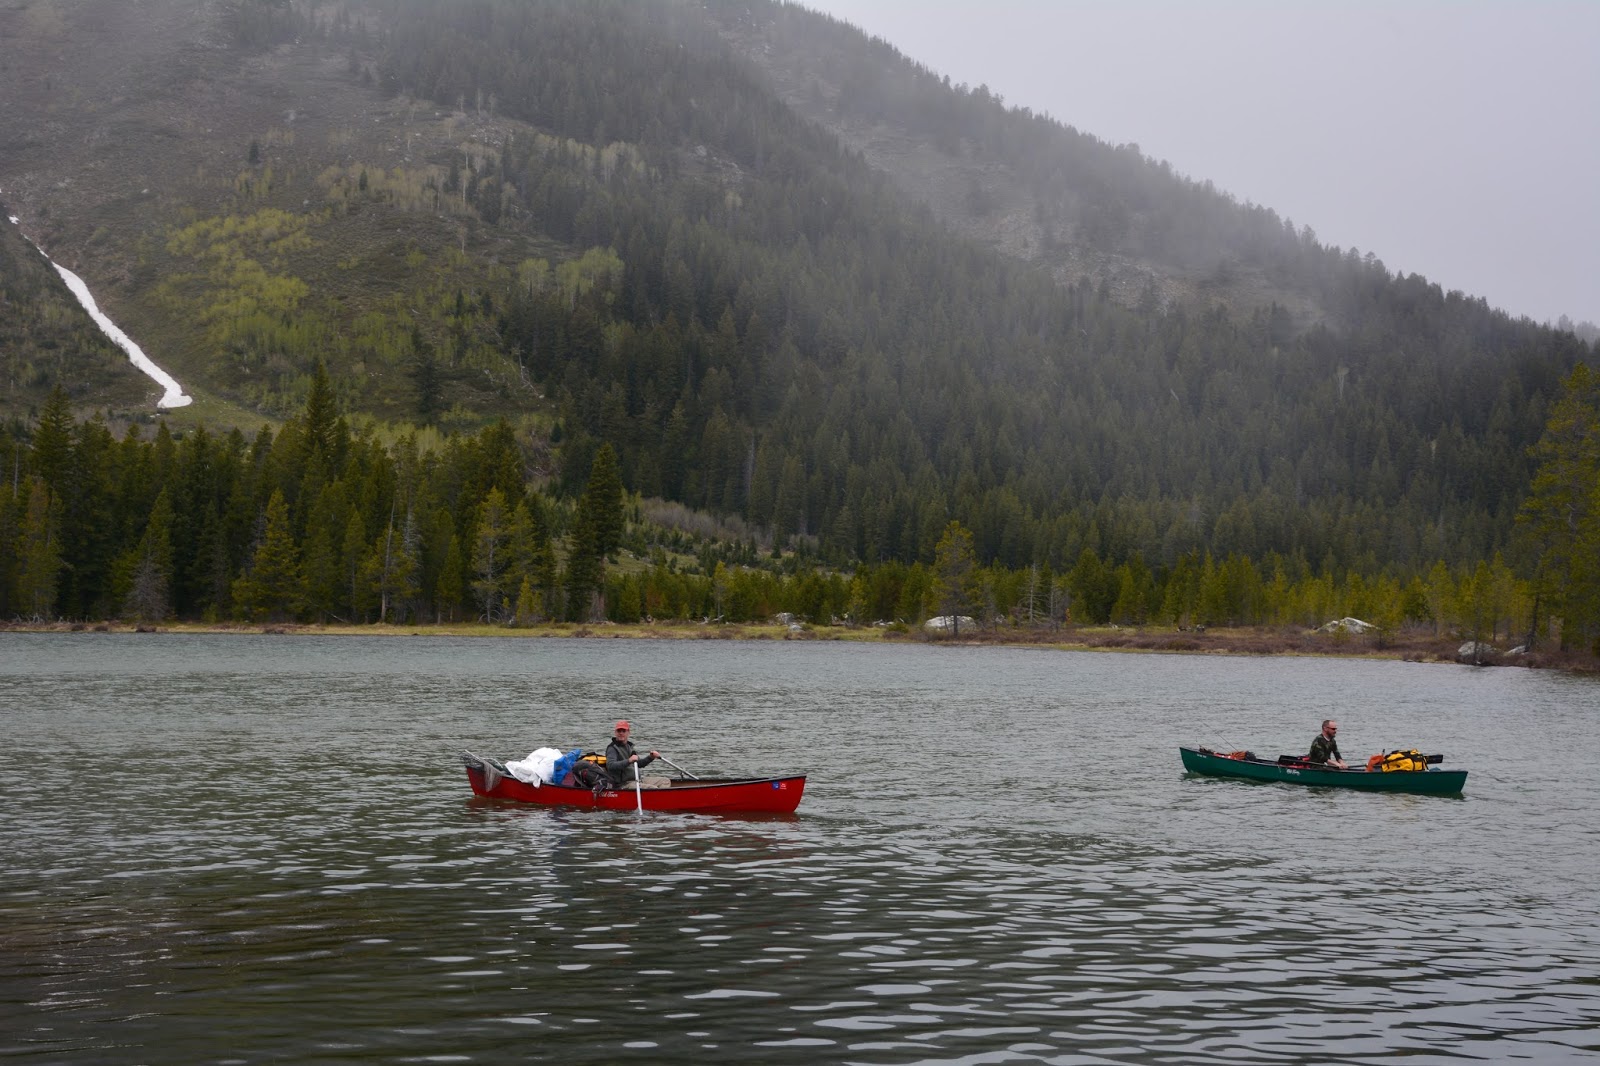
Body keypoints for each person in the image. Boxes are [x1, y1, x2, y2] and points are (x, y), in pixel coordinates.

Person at [604, 720, 660, 788]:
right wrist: (629, 761)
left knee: (665, 781)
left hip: (637, 780)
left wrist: (651, 757)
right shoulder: (612, 748)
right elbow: (611, 765)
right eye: (619, 731)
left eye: (623, 731)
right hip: (623, 784)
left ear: (628, 732)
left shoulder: (629, 746)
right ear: (615, 733)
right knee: (652, 788)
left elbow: (639, 764)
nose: (621, 733)